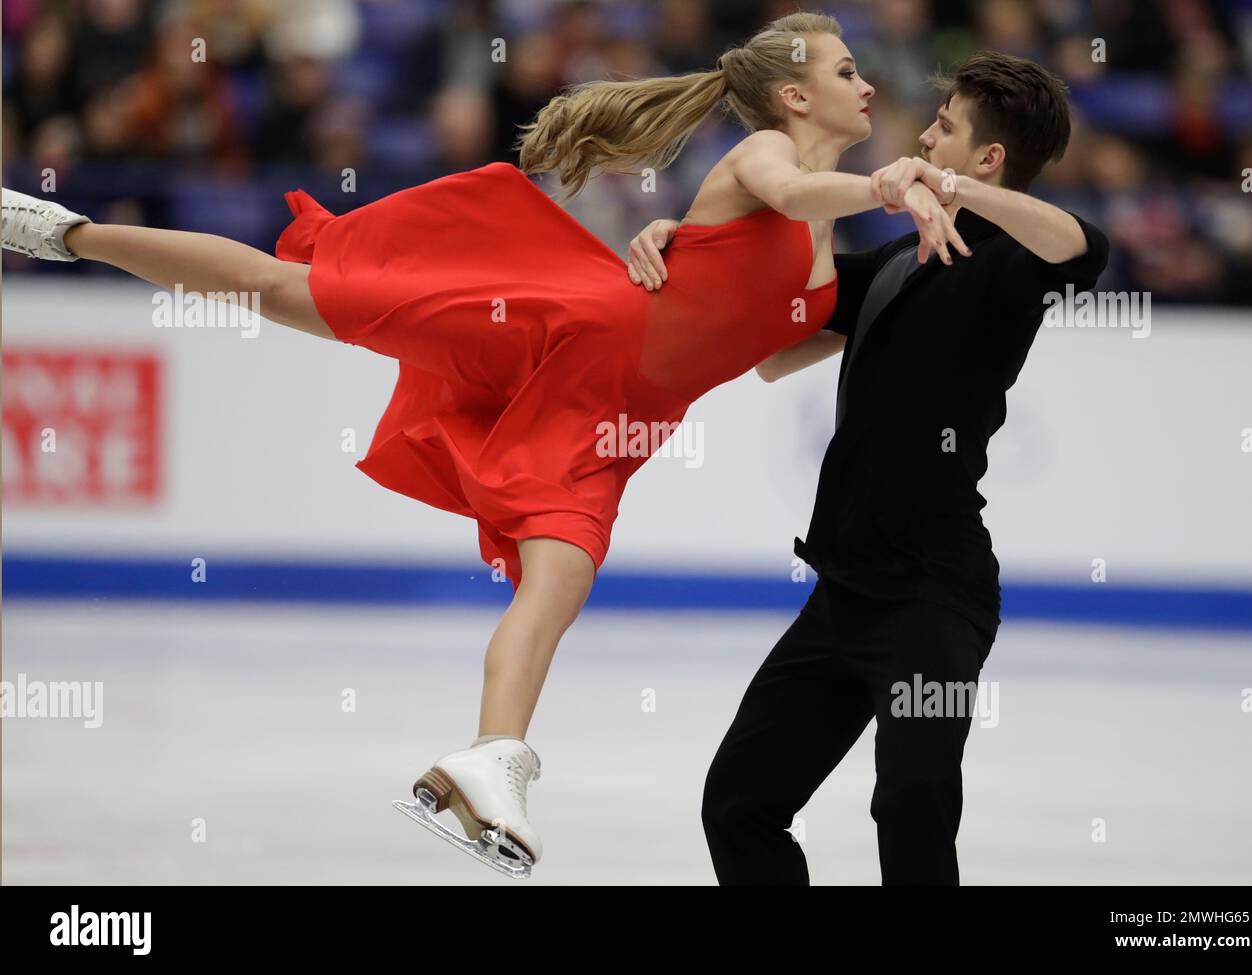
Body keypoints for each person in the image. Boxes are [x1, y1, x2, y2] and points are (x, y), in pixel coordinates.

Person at [0, 11, 967, 878]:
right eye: (847, 71)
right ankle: (71, 232)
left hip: (610, 423)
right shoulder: (766, 159)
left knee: (558, 586)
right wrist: (886, 182)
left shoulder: (823, 254)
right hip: (564, 323)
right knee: (292, 293)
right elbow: (792, 193)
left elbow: (765, 356)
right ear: (796, 94)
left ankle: (493, 760)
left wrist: (904, 312)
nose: (868, 84)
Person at [626, 51, 1110, 884]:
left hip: (935, 594)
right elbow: (775, 349)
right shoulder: (892, 263)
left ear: (987, 160)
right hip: (845, 595)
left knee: (914, 800)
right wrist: (685, 238)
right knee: (739, 802)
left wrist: (945, 189)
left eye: (946, 128)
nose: (924, 134)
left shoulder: (1014, 263)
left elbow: (1081, 246)